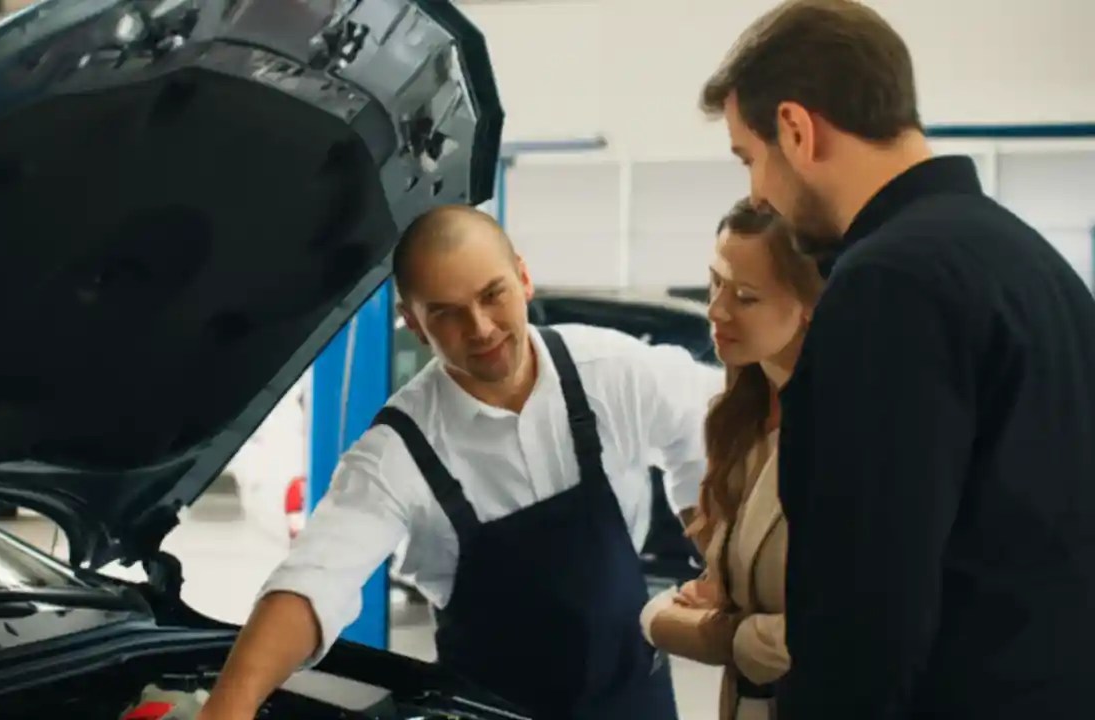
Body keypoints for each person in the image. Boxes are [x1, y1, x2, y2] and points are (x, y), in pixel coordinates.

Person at [698, 1, 1095, 718]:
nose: (756, 191)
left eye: (749, 158)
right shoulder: (1034, 265)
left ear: (795, 128)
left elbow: (867, 608)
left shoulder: (888, 284)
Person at [198, 204, 723, 720]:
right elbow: (315, 580)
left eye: (492, 295)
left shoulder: (610, 372)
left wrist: (712, 546)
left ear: (523, 277)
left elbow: (714, 422)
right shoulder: (398, 451)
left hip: (635, 705)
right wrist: (230, 707)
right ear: (414, 324)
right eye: (446, 313)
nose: (481, 329)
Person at [639, 199, 822, 720]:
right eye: (715, 282)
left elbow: (837, 628)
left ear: (809, 303)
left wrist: (699, 630)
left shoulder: (849, 433)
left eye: (745, 296)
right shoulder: (734, 417)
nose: (717, 310)